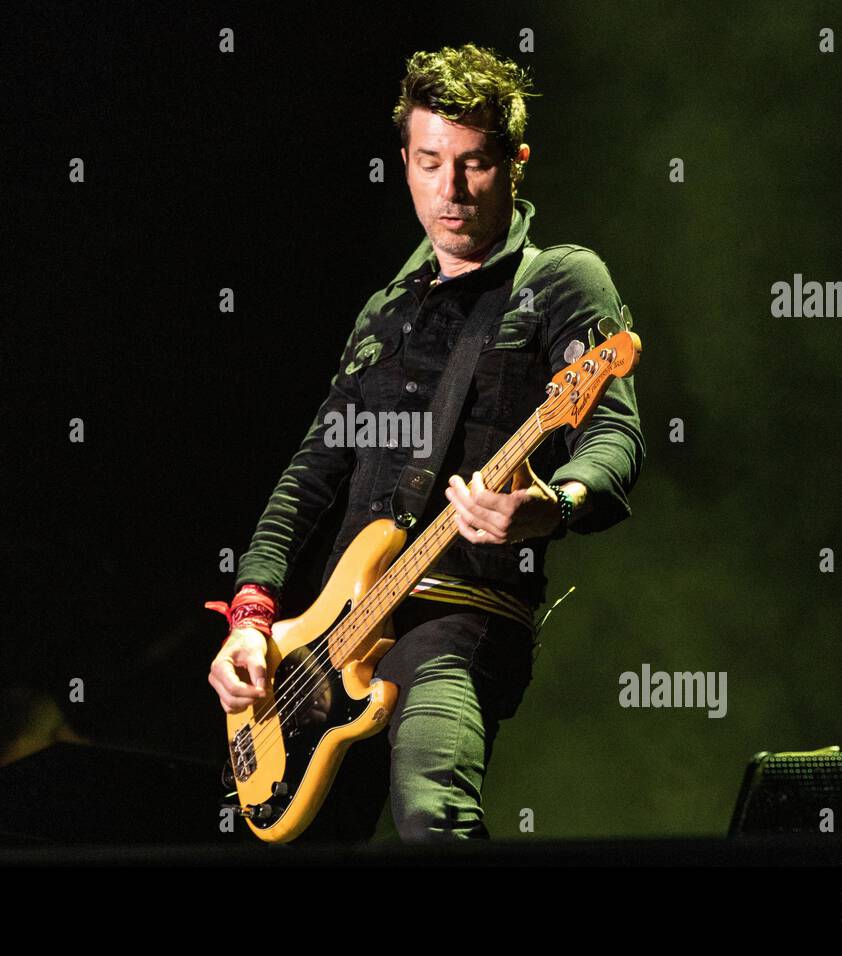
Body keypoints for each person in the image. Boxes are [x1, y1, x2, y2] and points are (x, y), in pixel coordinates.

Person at [206, 43, 645, 842]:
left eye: (474, 164)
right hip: (329, 640)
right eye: (430, 161)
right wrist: (252, 614)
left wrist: (552, 505)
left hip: (459, 615)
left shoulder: (560, 280)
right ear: (404, 160)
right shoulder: (384, 309)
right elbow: (314, 470)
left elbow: (613, 435)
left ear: (516, 164)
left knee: (431, 816)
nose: (450, 190)